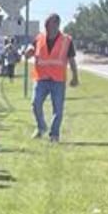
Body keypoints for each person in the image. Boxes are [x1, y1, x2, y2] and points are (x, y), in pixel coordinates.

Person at [25, 13, 80, 142]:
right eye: (45, 24)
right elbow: (31, 49)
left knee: (58, 109)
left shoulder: (66, 40)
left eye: (48, 23)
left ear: (56, 24)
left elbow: (71, 60)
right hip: (41, 78)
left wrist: (75, 76)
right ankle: (41, 127)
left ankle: (54, 135)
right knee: (35, 103)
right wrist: (28, 52)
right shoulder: (39, 38)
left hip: (58, 80)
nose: (46, 26)